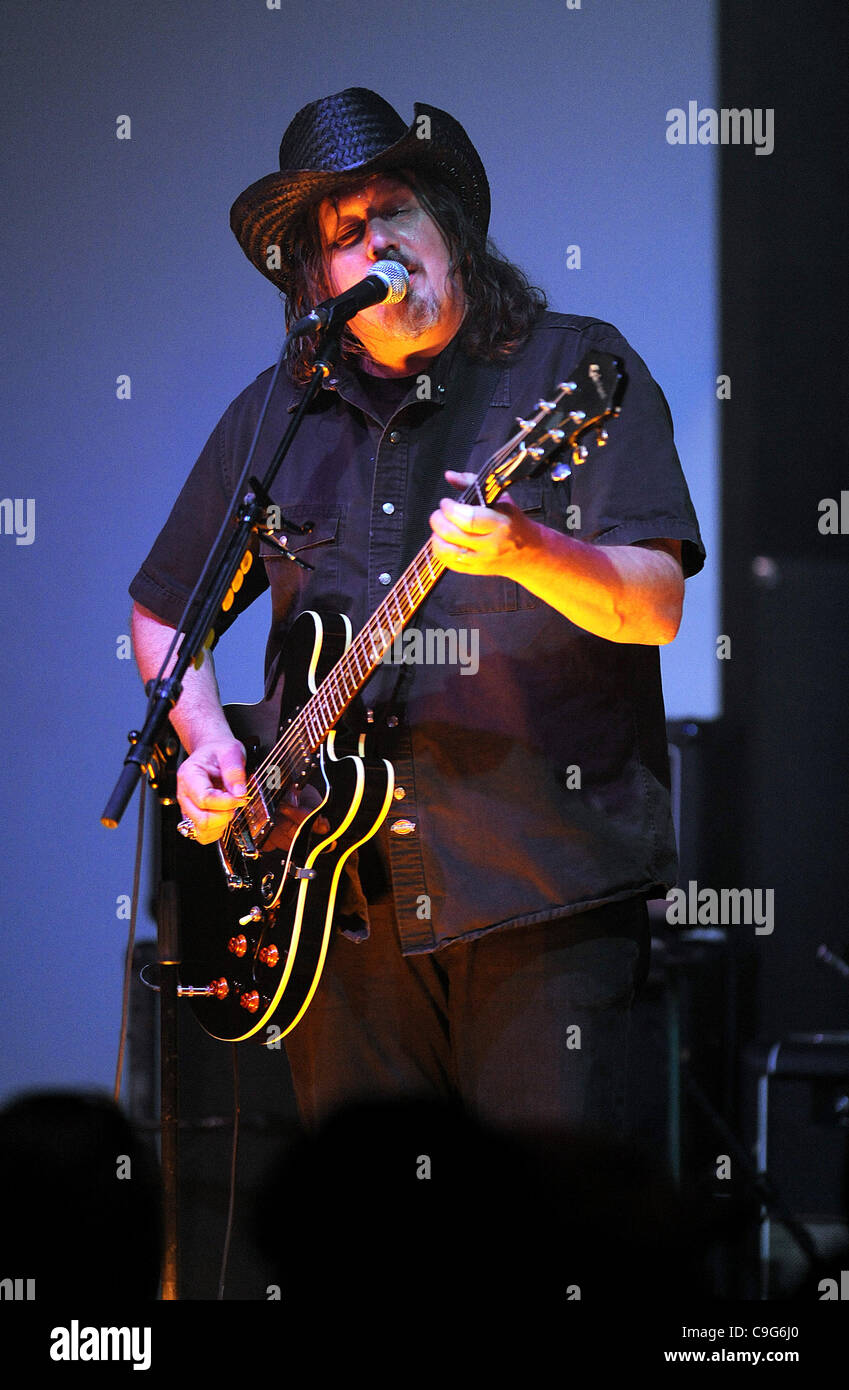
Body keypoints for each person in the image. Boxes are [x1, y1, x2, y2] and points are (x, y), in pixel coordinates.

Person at [130, 87, 704, 1136]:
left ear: (450, 234)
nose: (381, 239)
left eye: (399, 210)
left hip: (539, 895)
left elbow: (656, 605)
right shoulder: (277, 415)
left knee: (554, 1233)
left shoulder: (574, 368)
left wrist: (530, 549)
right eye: (349, 232)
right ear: (322, 281)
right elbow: (166, 613)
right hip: (338, 916)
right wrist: (206, 739)